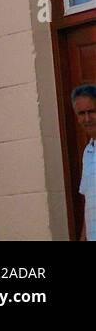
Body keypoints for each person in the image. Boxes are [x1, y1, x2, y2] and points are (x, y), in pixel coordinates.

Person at [74, 84, 96, 242]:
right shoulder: (87, 152)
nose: (87, 119)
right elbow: (89, 207)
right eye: (82, 113)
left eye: (92, 111)